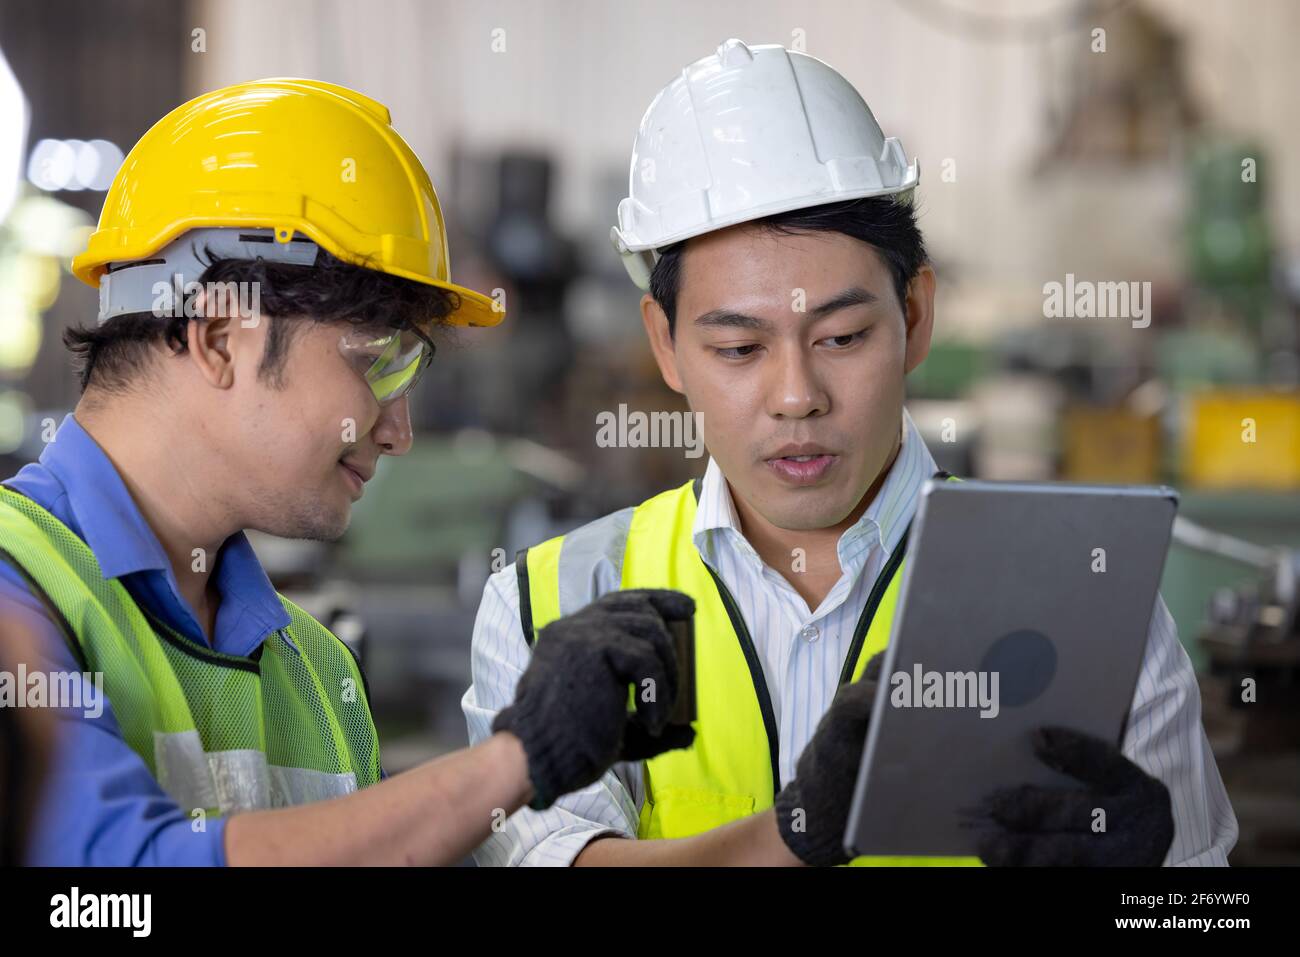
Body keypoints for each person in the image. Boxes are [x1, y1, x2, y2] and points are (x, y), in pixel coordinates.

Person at [463, 39, 1238, 866]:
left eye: (841, 336)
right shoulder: (550, 606)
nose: (797, 395)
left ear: (916, 314)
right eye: (738, 349)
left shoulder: (1083, 599)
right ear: (666, 346)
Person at [0, 78, 691, 866]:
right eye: (377, 364)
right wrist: (516, 760)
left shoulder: (316, 668)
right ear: (224, 337)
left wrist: (797, 825)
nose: (396, 432)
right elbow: (116, 886)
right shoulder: (18, 591)